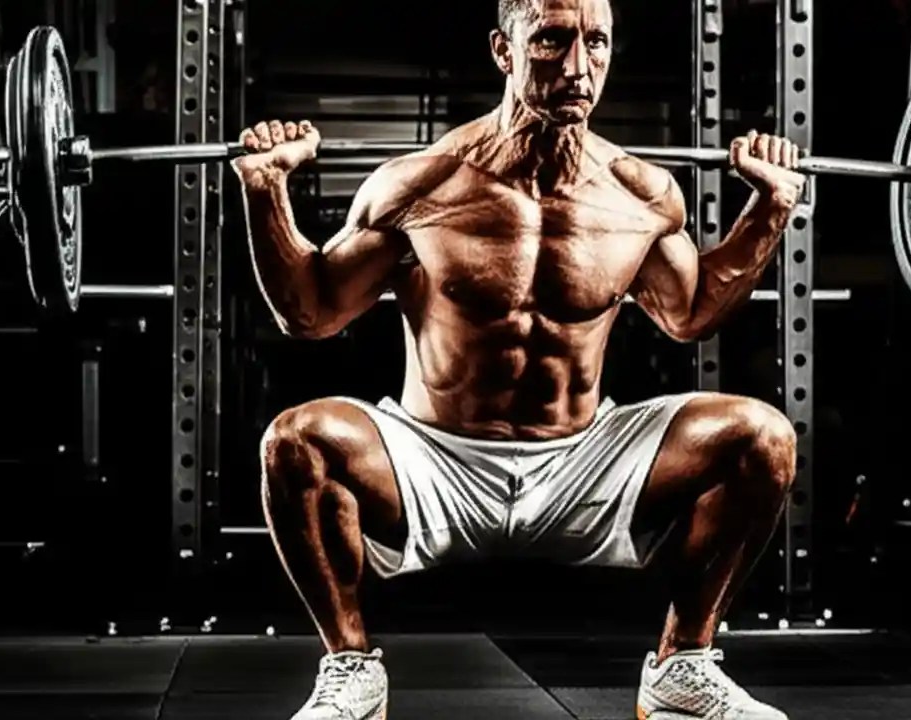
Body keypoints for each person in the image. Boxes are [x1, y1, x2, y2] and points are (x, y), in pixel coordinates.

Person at [231, 0, 804, 717]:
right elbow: (309, 313)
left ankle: (682, 664)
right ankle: (351, 668)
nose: (577, 67)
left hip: (584, 457)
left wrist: (769, 212)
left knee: (764, 438)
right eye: (553, 41)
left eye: (597, 42)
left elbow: (689, 315)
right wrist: (265, 193)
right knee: (294, 442)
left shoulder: (642, 193)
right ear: (504, 50)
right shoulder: (421, 185)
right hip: (432, 459)